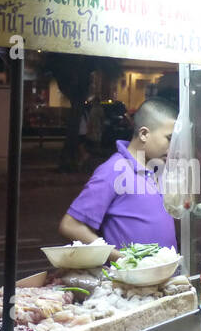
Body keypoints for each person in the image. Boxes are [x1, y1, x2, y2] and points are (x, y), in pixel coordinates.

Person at [59, 96, 178, 250]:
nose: (173, 146)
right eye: (169, 139)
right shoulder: (113, 170)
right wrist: (117, 256)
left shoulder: (159, 168)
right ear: (143, 134)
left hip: (167, 272)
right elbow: (70, 225)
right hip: (129, 273)